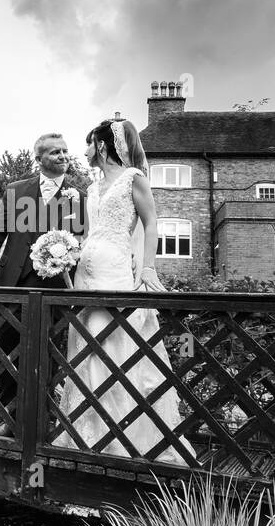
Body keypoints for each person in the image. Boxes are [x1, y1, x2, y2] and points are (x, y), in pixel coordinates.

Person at [52, 118, 194, 465]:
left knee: (111, 344)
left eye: (88, 144)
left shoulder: (135, 179)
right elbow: (90, 232)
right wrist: (66, 252)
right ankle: (85, 433)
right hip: (86, 270)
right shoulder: (93, 187)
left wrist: (147, 267)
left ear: (101, 146)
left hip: (115, 269)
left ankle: (121, 438)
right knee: (85, 346)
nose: (82, 152)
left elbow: (151, 224)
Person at [0, 133, 87, 433]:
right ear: (39, 159)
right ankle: (11, 418)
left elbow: (83, 241)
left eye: (65, 151)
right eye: (55, 152)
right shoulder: (15, 190)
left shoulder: (78, 195)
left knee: (48, 355)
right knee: (3, 349)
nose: (63, 156)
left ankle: (41, 419)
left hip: (54, 288)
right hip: (11, 283)